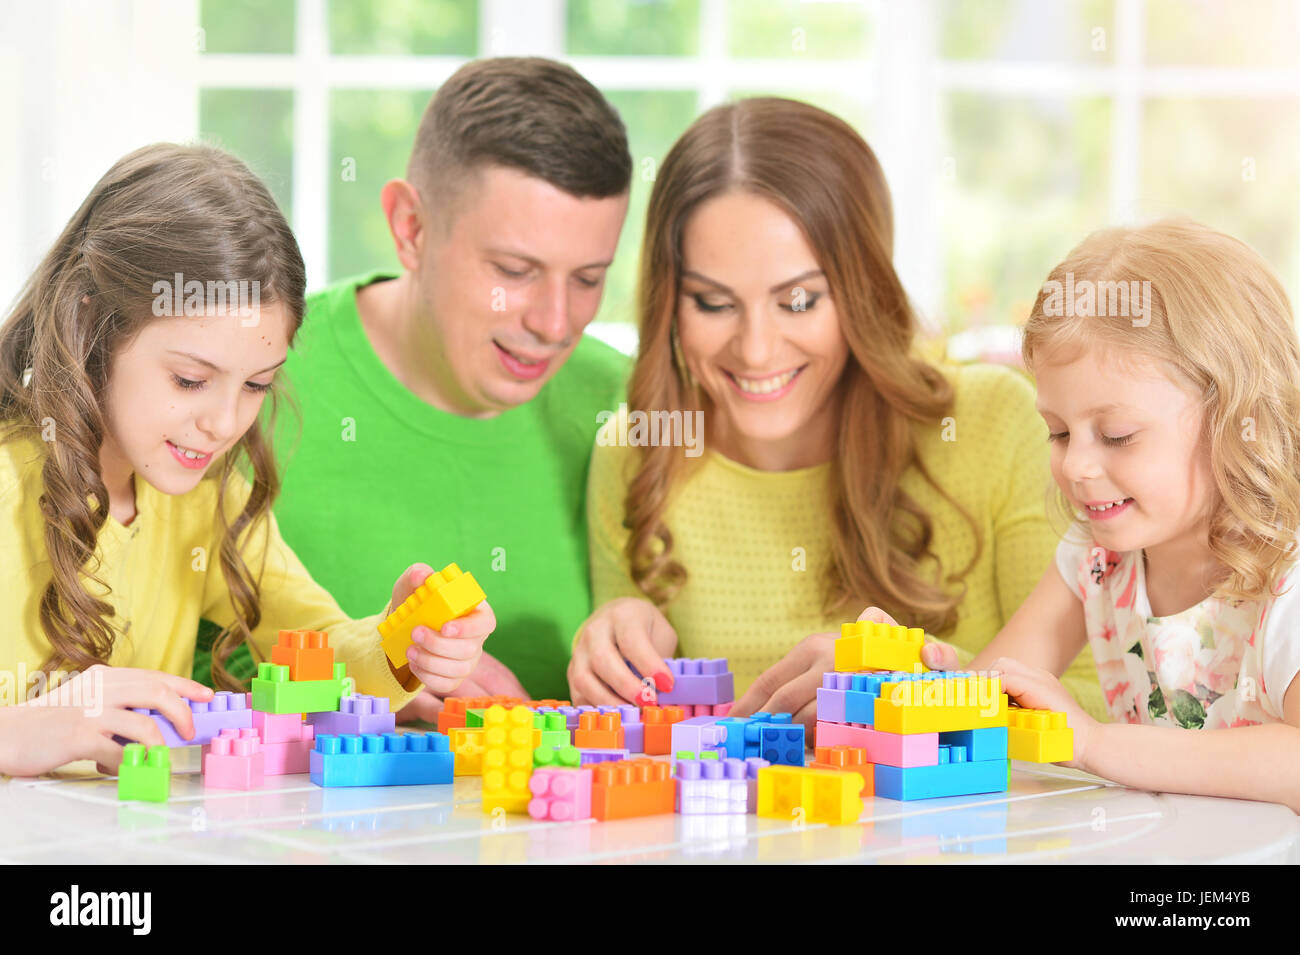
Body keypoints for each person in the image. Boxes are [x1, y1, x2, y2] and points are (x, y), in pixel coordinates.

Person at [570, 97, 1105, 732]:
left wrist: (894, 685)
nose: (757, 350)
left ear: (862, 287)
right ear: (669, 303)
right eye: (713, 303)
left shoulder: (993, 422)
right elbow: (635, 736)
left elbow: (1101, 704)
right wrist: (616, 650)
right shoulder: (639, 451)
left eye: (799, 301)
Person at [0, 143, 494, 776]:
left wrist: (406, 643)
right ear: (93, 322)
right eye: (188, 379)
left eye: (256, 385)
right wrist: (14, 735)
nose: (225, 423)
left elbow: (321, 649)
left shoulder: (208, 497)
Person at [886, 219, 1300, 810]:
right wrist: (917, 681)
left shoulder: (1287, 574)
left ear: (1238, 418)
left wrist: (1098, 743)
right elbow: (988, 705)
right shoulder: (1097, 558)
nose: (1076, 465)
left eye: (1117, 435)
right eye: (1057, 431)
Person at [270, 57, 631, 711]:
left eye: (587, 278)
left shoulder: (625, 407)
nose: (555, 322)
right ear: (411, 227)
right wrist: (367, 685)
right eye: (516, 269)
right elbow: (175, 650)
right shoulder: (253, 380)